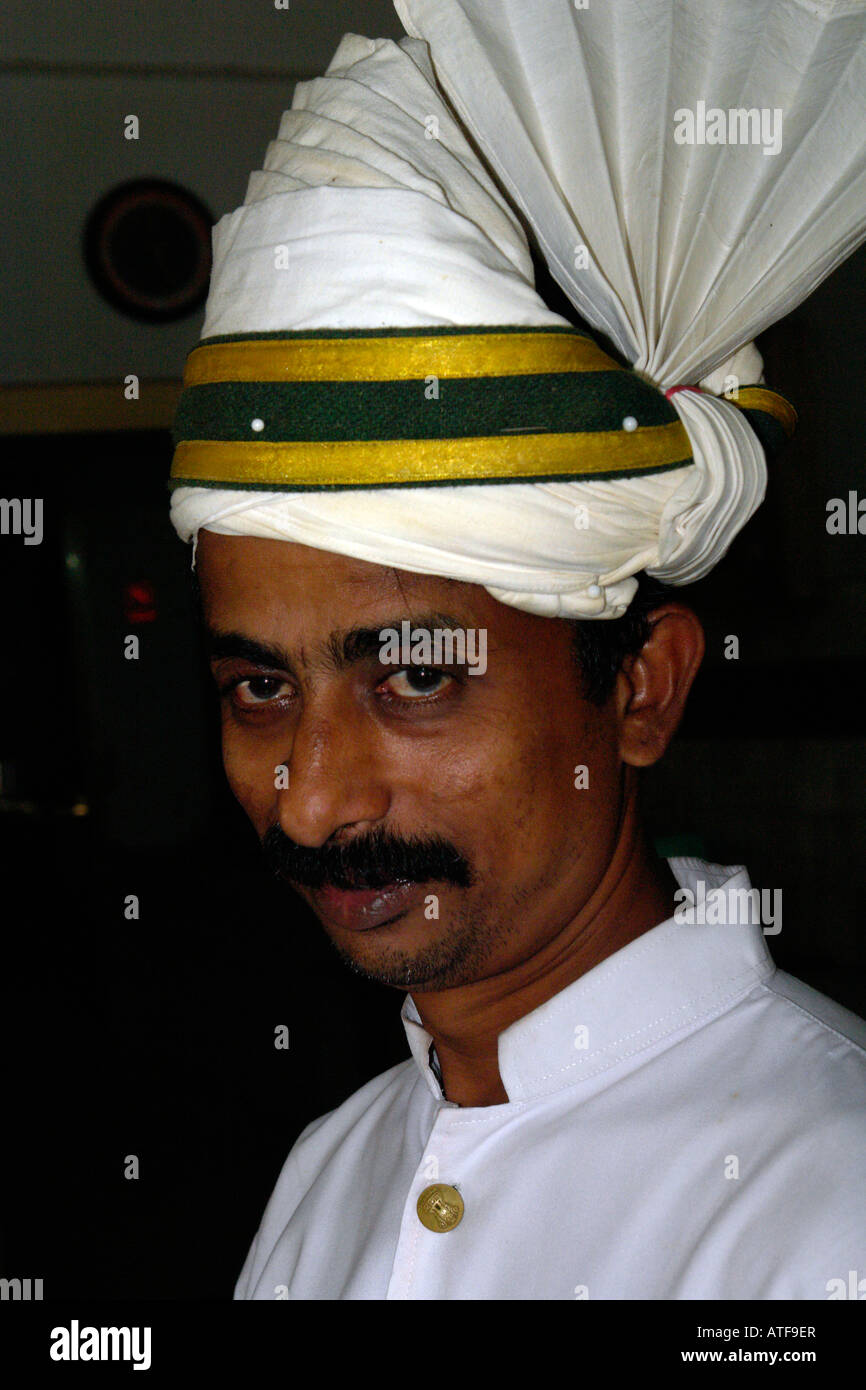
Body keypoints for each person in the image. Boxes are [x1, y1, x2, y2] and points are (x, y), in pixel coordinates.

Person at [169, 1, 866, 1298]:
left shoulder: (824, 1205)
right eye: (260, 686)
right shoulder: (331, 1167)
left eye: (415, 675)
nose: (311, 796)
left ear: (641, 686)